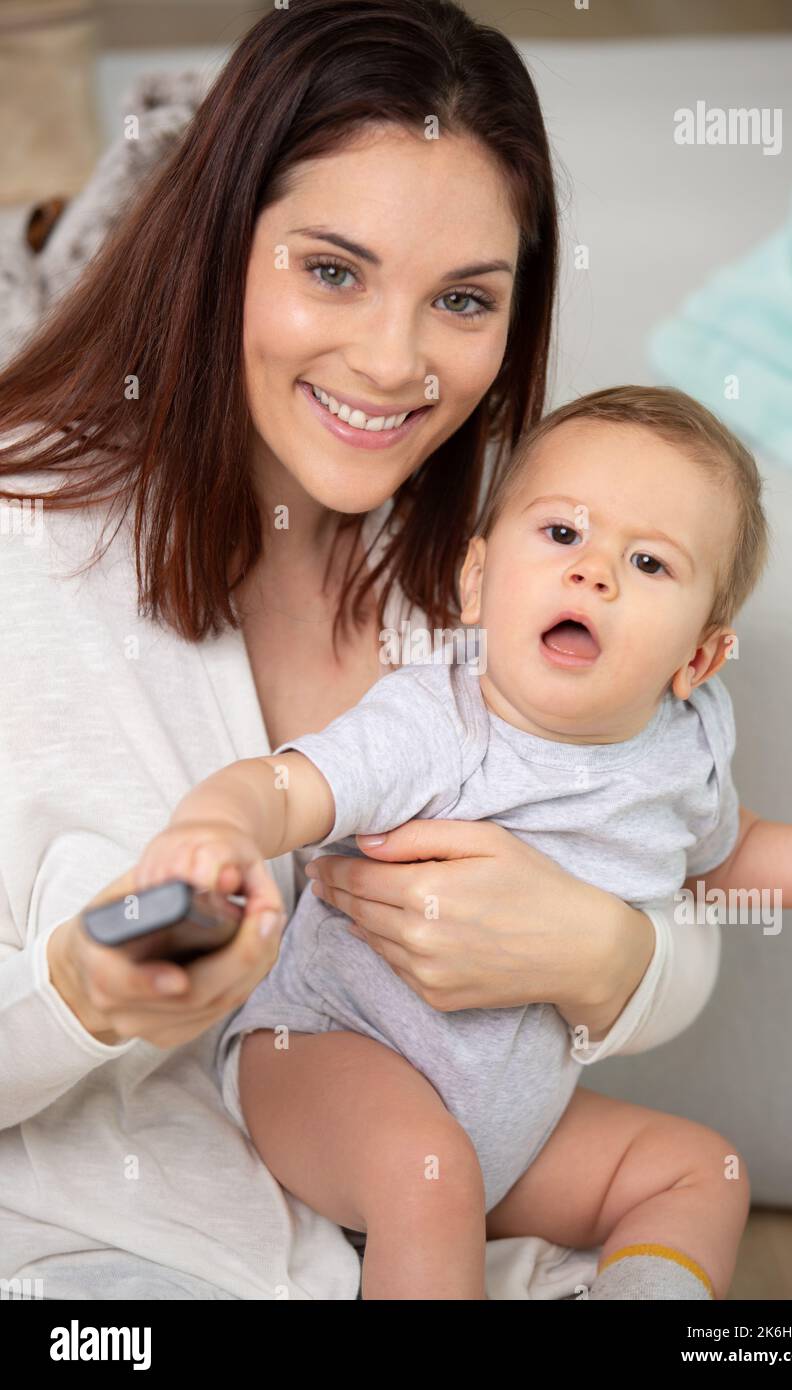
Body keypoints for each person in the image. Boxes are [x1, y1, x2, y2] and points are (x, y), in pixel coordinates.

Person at [0, 2, 732, 1300]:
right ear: (220, 244)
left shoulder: (520, 566)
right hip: (104, 1254)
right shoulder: (29, 564)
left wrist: (599, 954)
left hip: (434, 1228)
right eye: (331, 270)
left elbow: (672, 855)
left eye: (461, 299)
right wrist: (83, 1001)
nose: (393, 365)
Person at [130, 384, 792, 1300]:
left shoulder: (687, 745)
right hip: (321, 1058)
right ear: (477, 581)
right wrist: (221, 823)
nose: (593, 573)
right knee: (425, 1177)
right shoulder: (440, 715)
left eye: (647, 562)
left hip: (508, 1123)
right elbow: (297, 786)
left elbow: (718, 856)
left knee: (698, 1171)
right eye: (562, 535)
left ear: (699, 660)